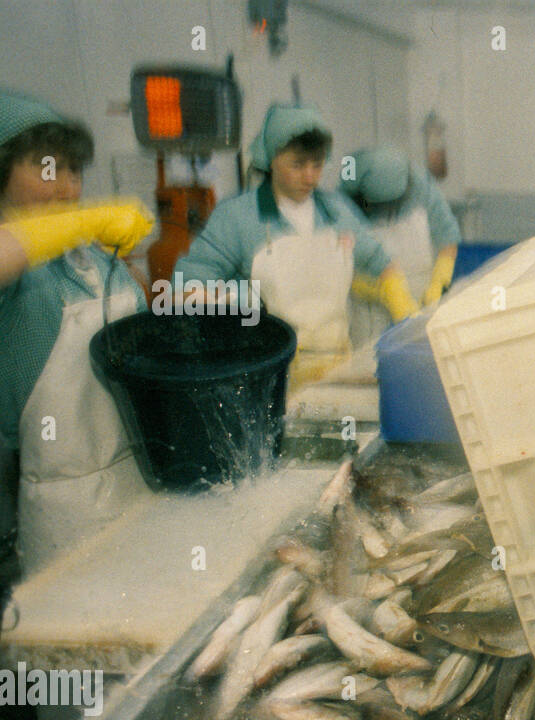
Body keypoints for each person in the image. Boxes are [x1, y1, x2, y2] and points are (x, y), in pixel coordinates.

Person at [0, 89, 154, 591]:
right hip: (55, 512)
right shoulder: (16, 273)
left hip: (137, 484)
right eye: (48, 170)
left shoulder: (94, 260)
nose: (68, 188)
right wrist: (84, 221)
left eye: (74, 171)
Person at [175, 104, 420, 393]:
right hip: (269, 379)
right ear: (271, 159)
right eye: (298, 164)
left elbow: (381, 262)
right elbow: (186, 289)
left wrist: (401, 302)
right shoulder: (237, 218)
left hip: (338, 371)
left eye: (317, 165)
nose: (310, 177)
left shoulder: (337, 211)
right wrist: (237, 304)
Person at [339, 145, 459, 345]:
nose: (389, 212)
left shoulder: (422, 186)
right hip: (369, 316)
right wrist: (385, 291)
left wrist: (439, 282)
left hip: (423, 303)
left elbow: (447, 236)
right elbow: (337, 262)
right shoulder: (343, 203)